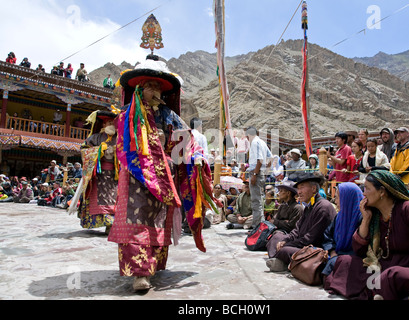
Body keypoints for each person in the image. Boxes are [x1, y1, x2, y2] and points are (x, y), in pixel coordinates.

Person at [107, 55, 220, 291]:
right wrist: (149, 139)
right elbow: (122, 143)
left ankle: (153, 265)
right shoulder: (128, 114)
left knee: (157, 220)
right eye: (150, 86)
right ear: (139, 88)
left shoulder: (169, 115)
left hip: (162, 174)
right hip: (136, 175)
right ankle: (139, 273)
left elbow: (187, 140)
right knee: (136, 220)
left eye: (158, 86)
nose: (155, 90)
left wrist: (197, 157)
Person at [324, 170, 409, 300]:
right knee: (345, 261)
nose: (364, 193)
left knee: (393, 275)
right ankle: (373, 290)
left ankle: (374, 290)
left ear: (382, 192)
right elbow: (359, 250)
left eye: (367, 188)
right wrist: (366, 220)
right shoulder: (375, 215)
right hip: (382, 265)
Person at [266, 172, 337, 272]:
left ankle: (283, 261)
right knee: (276, 238)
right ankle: (283, 261)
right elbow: (297, 229)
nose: (299, 192)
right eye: (298, 188)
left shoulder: (323, 207)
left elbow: (311, 239)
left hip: (313, 249)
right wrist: (286, 240)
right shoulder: (309, 206)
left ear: (313, 189)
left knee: (285, 249)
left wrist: (288, 244)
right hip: (301, 244)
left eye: (302, 187)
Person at [72, 110, 118, 234]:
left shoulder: (120, 138)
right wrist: (98, 151)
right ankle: (106, 222)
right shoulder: (95, 137)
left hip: (115, 176)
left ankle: (112, 225)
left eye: (113, 122)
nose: (112, 125)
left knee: (114, 199)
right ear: (103, 124)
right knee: (99, 198)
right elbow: (84, 150)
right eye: (109, 122)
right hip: (98, 174)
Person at [321, 182, 364, 276]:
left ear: (348, 198)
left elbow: (361, 247)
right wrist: (331, 251)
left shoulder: (362, 218)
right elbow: (328, 236)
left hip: (352, 257)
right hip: (336, 253)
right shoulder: (339, 217)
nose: (335, 201)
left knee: (335, 263)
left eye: (337, 197)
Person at [246, 126, 272, 229]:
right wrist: (265, 172)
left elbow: (260, 160)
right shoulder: (262, 142)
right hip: (260, 172)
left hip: (255, 172)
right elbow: (270, 158)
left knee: (256, 202)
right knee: (259, 200)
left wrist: (255, 175)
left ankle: (257, 227)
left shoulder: (255, 142)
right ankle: (260, 224)